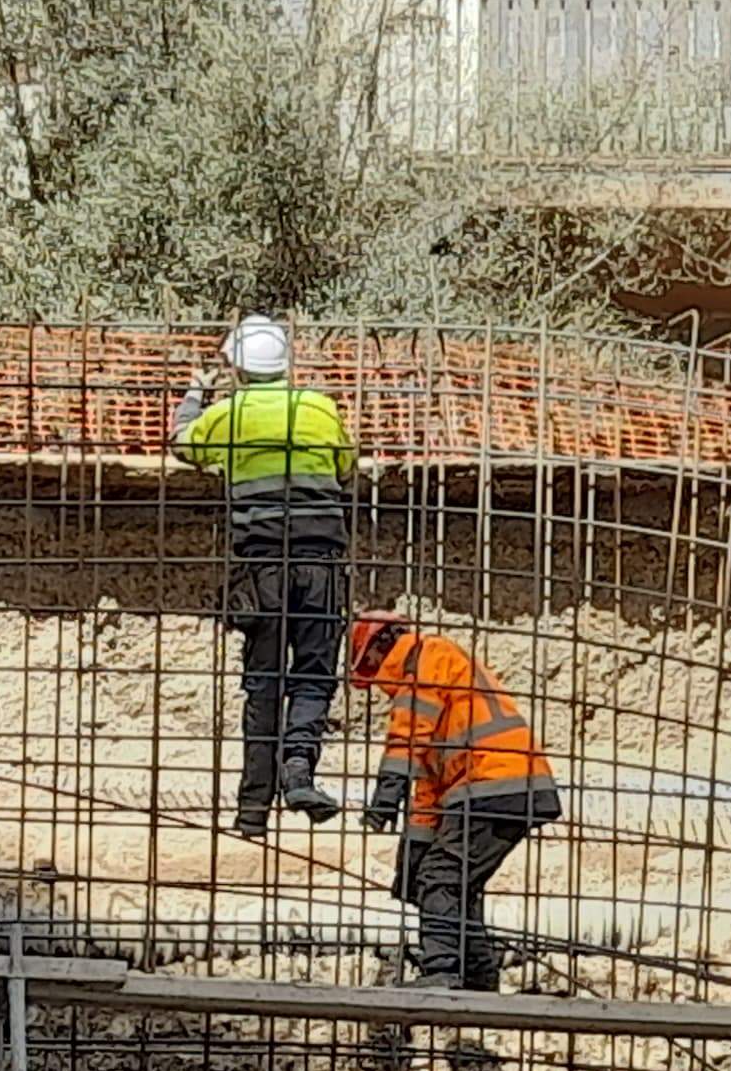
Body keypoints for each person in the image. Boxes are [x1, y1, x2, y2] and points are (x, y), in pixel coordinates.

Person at [171, 314, 353, 837]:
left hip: (263, 566)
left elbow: (182, 443)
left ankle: (253, 812)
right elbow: (345, 466)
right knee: (315, 673)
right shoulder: (319, 407)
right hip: (321, 563)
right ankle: (299, 768)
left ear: (237, 368)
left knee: (264, 684)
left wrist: (195, 393)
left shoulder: (229, 414)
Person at [348, 612, 562, 992]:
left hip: (495, 782)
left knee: (443, 877)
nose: (378, 682)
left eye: (370, 665)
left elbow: (409, 735)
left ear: (381, 647)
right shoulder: (434, 682)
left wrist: (385, 795)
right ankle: (478, 979)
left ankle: (441, 973)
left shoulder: (427, 656)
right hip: (496, 785)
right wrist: (412, 854)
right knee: (455, 885)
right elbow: (429, 787)